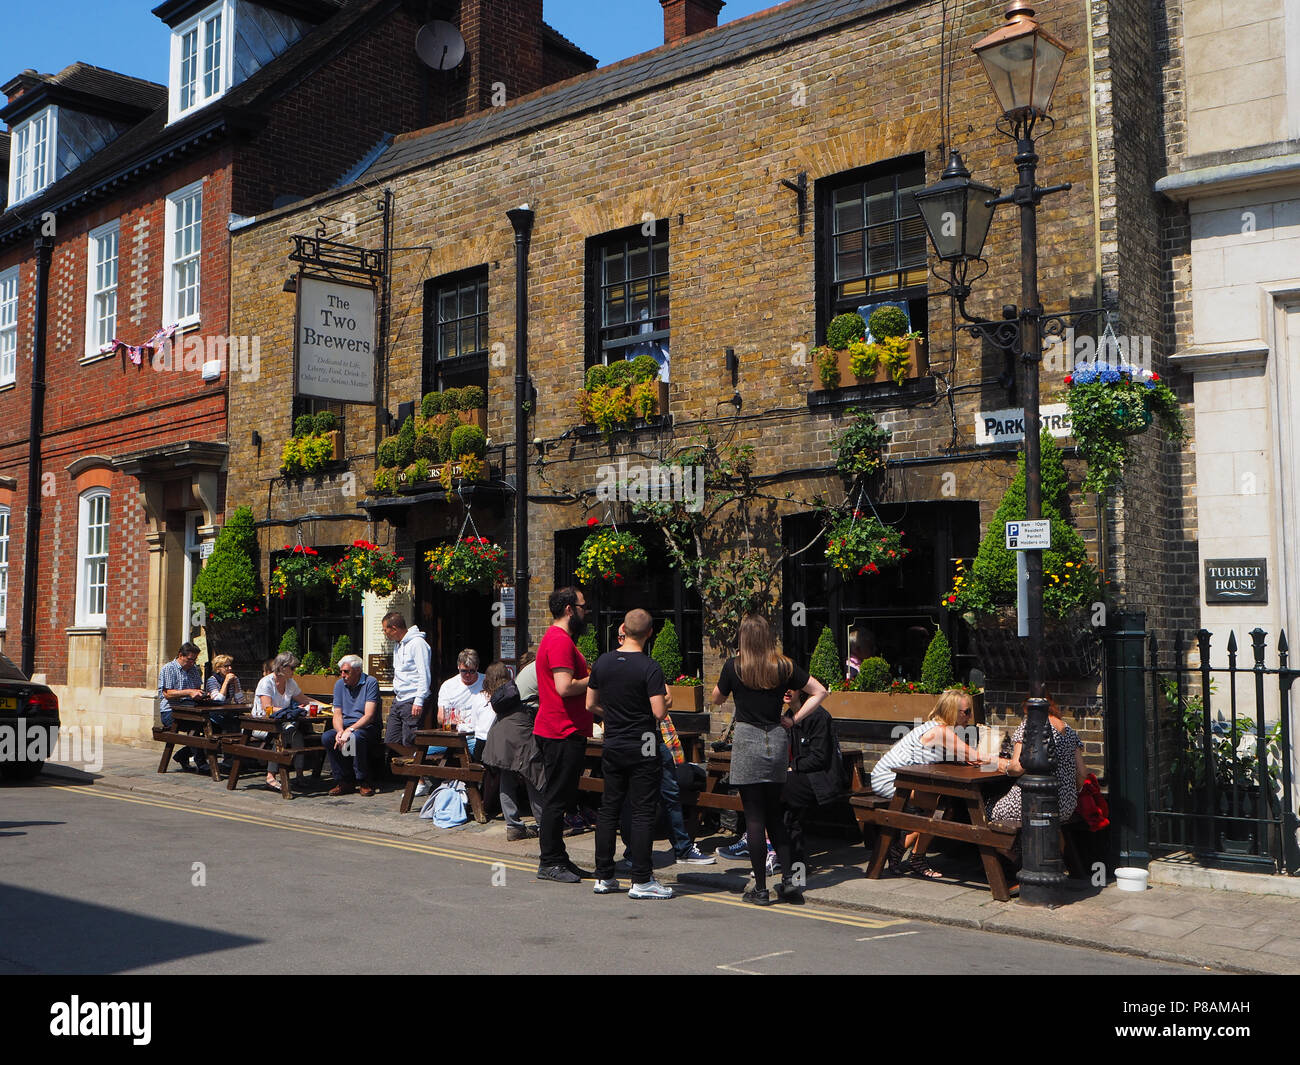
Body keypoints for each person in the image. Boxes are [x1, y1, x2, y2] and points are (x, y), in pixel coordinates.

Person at [711, 614, 829, 905]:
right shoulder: (783, 665)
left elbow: (716, 698)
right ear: (768, 637)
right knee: (775, 814)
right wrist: (794, 720)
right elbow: (820, 691)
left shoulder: (734, 666)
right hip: (776, 739)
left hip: (747, 740)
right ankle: (789, 882)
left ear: (743, 638)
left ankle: (761, 889)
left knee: (753, 817)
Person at [870, 688, 1007, 877]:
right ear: (952, 711)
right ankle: (910, 855)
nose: (970, 717)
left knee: (944, 806)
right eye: (966, 712)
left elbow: (966, 758)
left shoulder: (944, 729)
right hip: (889, 779)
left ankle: (904, 852)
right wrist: (1007, 765)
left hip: (907, 780)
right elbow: (974, 756)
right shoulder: (940, 731)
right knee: (942, 808)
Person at [588, 609, 673, 899]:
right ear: (650, 633)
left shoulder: (603, 662)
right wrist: (667, 699)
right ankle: (641, 880)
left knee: (608, 808)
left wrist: (613, 716)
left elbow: (590, 704)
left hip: (613, 740)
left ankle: (604, 876)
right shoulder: (650, 667)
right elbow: (658, 712)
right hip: (644, 741)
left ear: (623, 629)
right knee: (642, 810)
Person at [533, 586, 593, 884]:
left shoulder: (560, 639)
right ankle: (549, 862)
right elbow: (564, 687)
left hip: (564, 729)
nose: (586, 612)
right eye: (583, 606)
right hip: (560, 731)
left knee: (561, 798)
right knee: (556, 799)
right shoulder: (559, 641)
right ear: (570, 609)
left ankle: (559, 857)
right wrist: (595, 678)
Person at [987, 694, 1086, 826]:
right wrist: (1066, 791)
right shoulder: (1069, 731)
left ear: (1030, 708)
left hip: (1034, 805)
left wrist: (1001, 765)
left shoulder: (1031, 726)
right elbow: (1082, 774)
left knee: (988, 807)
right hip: (1066, 808)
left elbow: (1017, 767)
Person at [781, 689, 849, 882]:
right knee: (775, 795)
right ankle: (793, 866)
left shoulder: (818, 716)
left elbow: (819, 758)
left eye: (792, 686)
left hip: (822, 780)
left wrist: (791, 767)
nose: (787, 690)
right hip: (799, 776)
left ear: (802, 690)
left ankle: (787, 861)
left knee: (781, 794)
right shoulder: (788, 716)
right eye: (784, 685)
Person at [483, 651, 546, 841]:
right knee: (534, 779)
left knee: (507, 781)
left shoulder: (501, 694)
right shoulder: (517, 686)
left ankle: (513, 826)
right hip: (521, 738)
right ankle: (544, 825)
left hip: (499, 739)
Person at [323, 655, 382, 796]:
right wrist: (339, 731)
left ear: (357, 670)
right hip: (345, 727)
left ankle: (363, 780)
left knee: (356, 737)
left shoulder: (370, 682)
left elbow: (369, 716)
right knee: (327, 737)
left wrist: (350, 730)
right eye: (341, 672)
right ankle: (344, 781)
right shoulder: (339, 685)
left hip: (366, 727)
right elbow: (337, 714)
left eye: (346, 671)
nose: (343, 675)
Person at [254, 653, 307, 792]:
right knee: (283, 735)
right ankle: (270, 776)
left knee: (297, 735)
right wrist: (291, 710)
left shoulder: (290, 683)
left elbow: (304, 700)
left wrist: (325, 707)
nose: (295, 671)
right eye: (292, 668)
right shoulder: (266, 682)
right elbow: (267, 708)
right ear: (282, 667)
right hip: (261, 723)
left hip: (283, 723)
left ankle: (299, 774)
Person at [382, 612, 432, 748]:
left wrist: (419, 700)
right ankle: (397, 763)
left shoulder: (418, 644)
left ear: (394, 628)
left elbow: (424, 674)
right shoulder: (398, 645)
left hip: (412, 699)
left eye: (385, 630)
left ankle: (413, 762)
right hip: (399, 699)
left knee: (410, 742)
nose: (385, 634)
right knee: (391, 740)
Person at [158, 642, 209, 772]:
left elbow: (196, 689)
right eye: (189, 660)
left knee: (213, 725)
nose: (192, 663)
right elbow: (167, 693)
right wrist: (189, 692)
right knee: (197, 726)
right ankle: (202, 763)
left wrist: (201, 695)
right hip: (171, 712)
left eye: (194, 660)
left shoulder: (193, 670)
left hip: (191, 709)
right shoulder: (169, 668)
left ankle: (182, 755)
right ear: (180, 655)